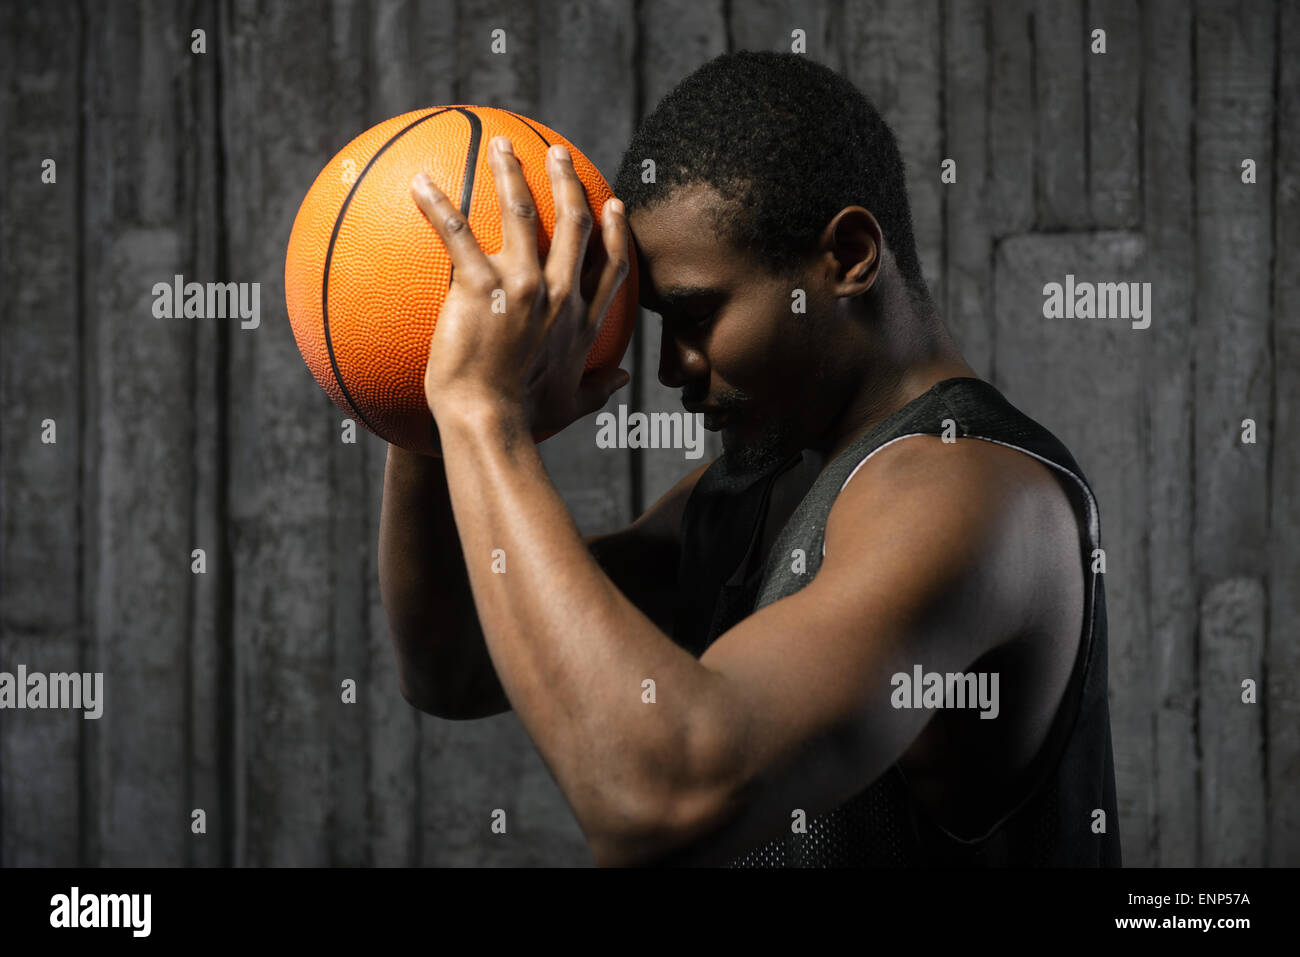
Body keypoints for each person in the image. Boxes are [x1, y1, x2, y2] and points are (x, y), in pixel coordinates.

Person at [379, 51, 1121, 867]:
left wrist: (486, 416)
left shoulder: (972, 491)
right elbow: (450, 665)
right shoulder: (755, 487)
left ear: (847, 258)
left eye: (696, 315)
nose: (669, 370)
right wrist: (422, 392)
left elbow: (662, 798)